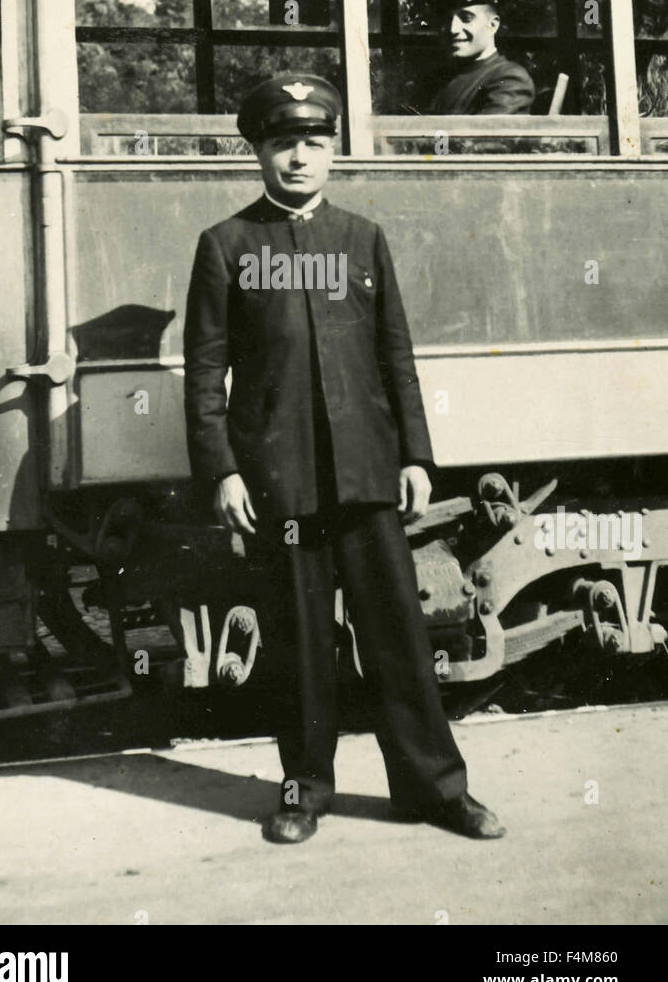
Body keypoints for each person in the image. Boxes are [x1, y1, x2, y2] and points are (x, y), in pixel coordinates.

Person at [183, 72, 504, 845]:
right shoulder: (227, 246)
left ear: (332, 152)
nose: (298, 158)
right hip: (279, 482)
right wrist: (223, 469)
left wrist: (416, 455)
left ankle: (433, 790)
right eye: (281, 143)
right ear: (258, 152)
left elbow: (396, 357)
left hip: (365, 478)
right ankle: (303, 790)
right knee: (298, 644)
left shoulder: (362, 239)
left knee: (396, 635)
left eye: (313, 143)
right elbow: (203, 373)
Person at [426, 0, 535, 115]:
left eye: (466, 18)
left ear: (492, 25)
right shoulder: (441, 78)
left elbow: (485, 137)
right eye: (448, 19)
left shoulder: (509, 79)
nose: (453, 29)